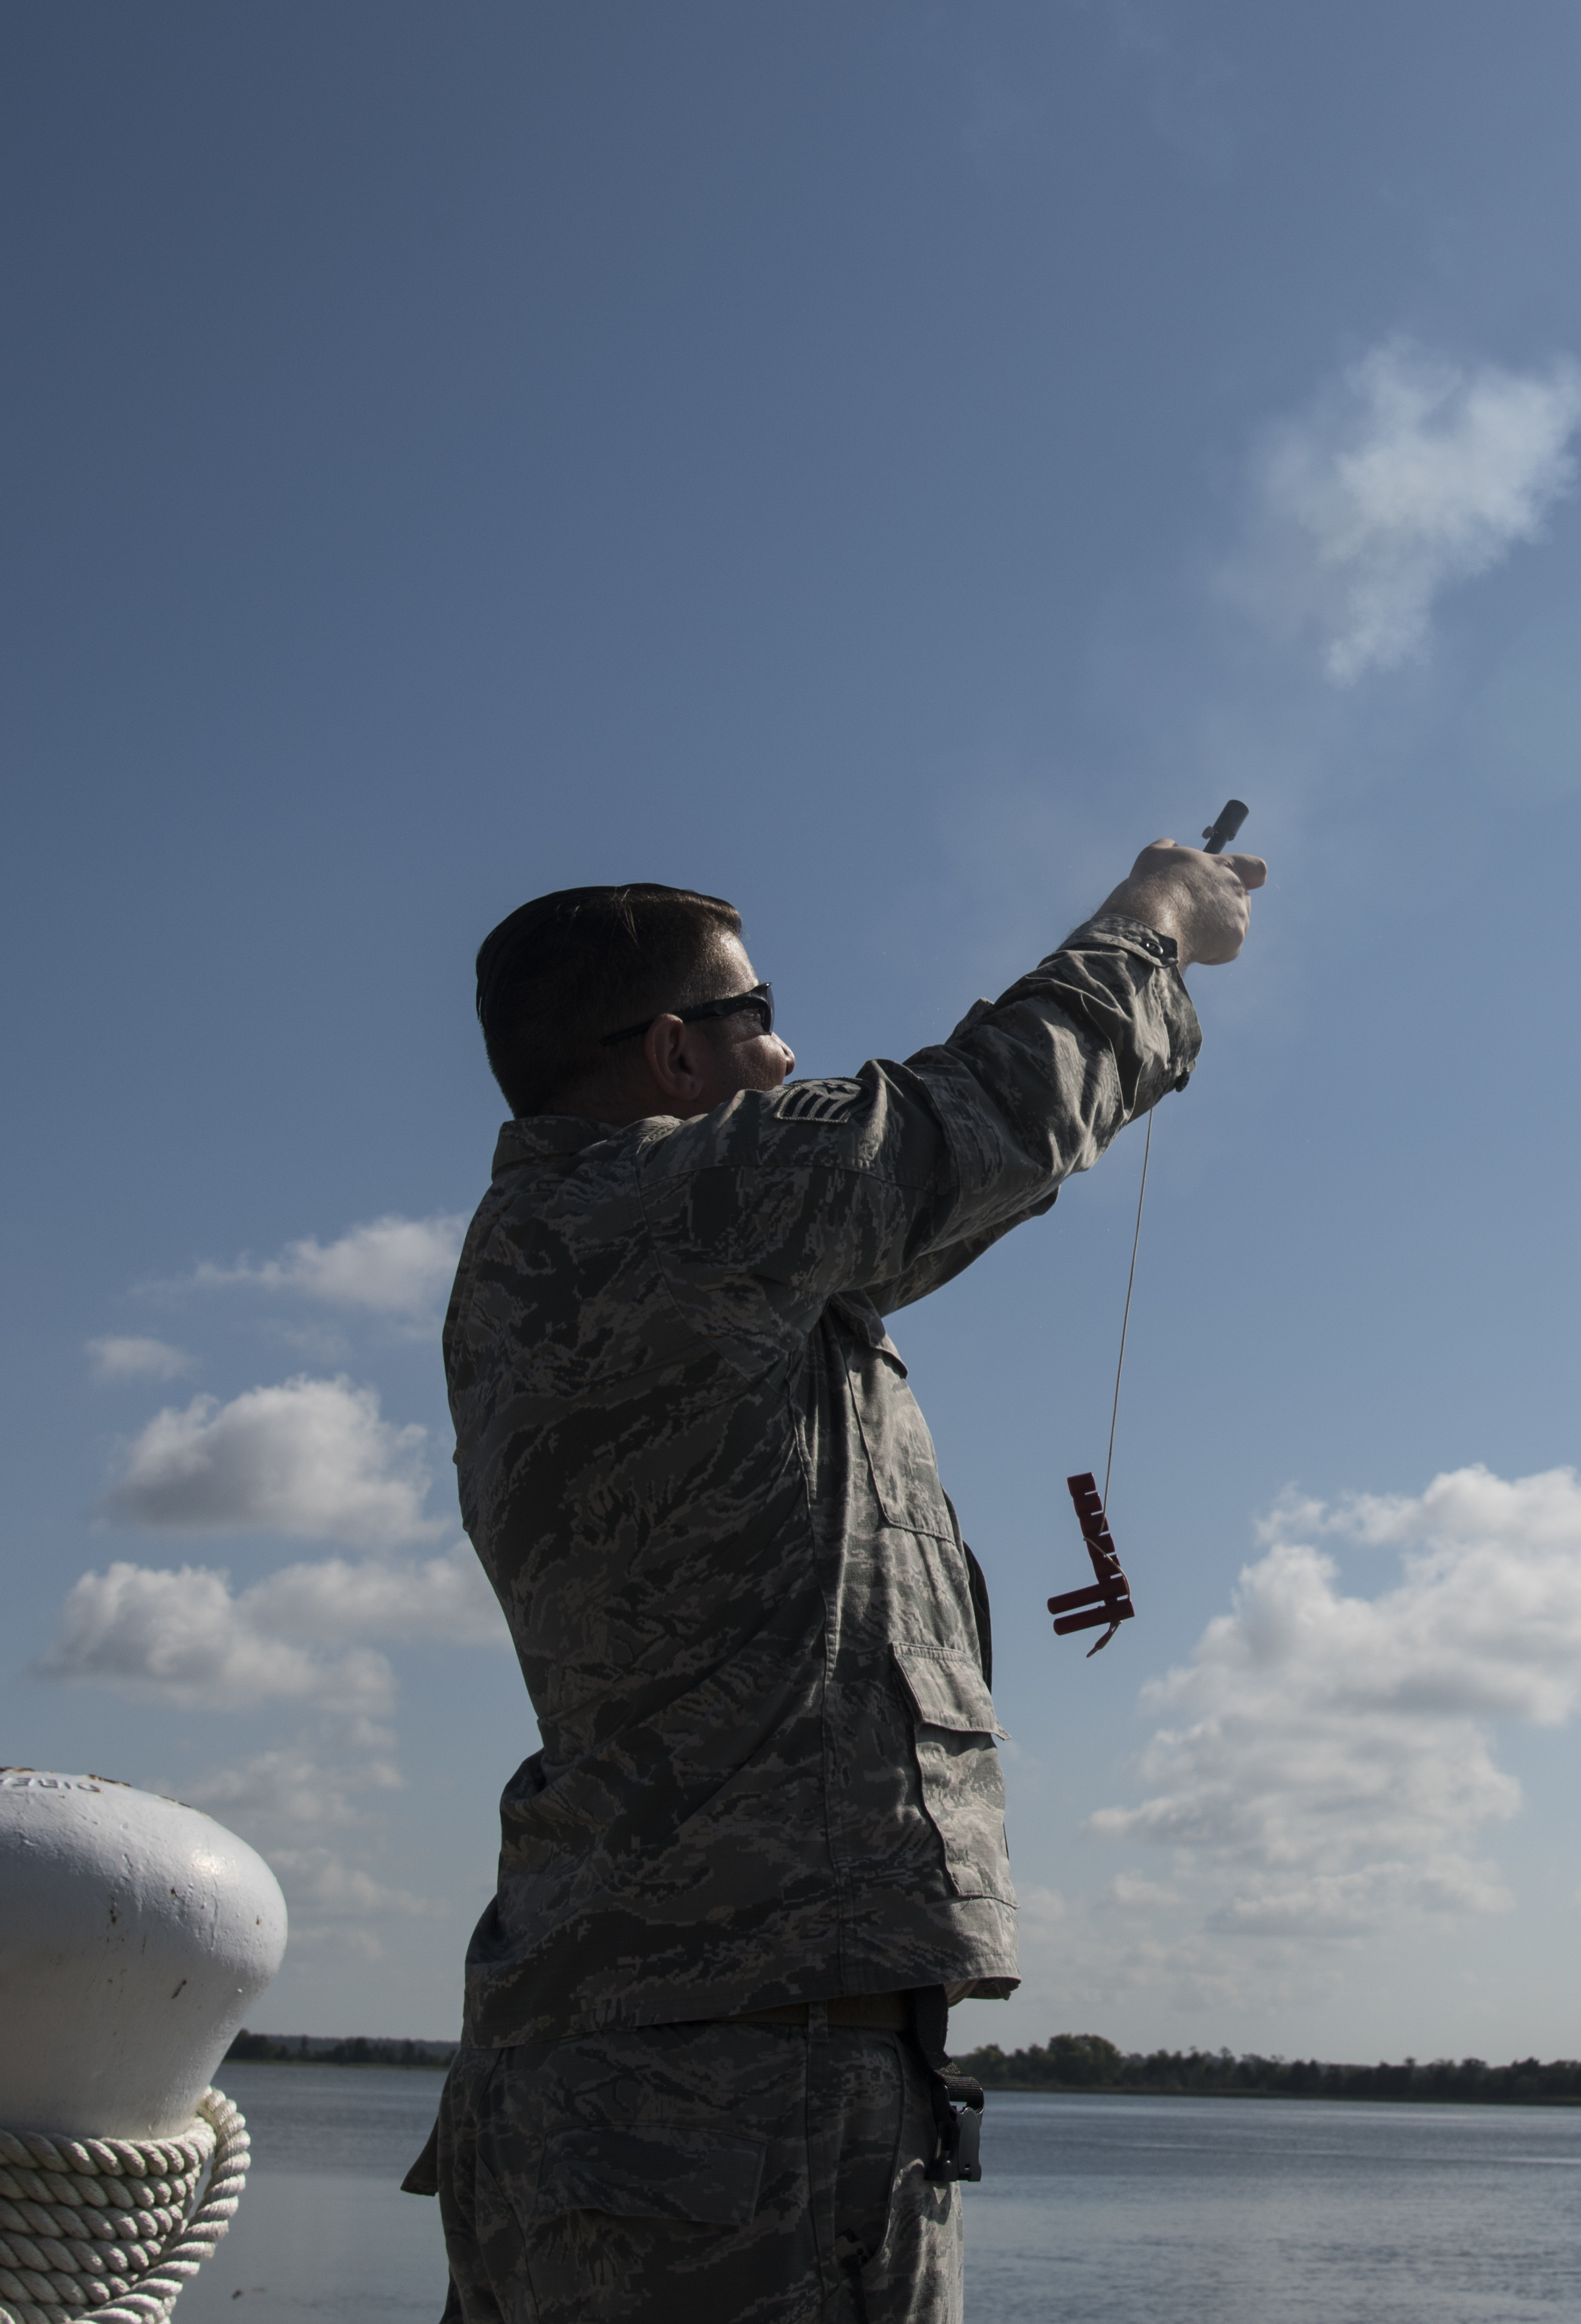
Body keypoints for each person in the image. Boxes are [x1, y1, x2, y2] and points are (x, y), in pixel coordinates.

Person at [410, 836, 1265, 2323]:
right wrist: (1154, 927)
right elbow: (970, 1117)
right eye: (759, 1016)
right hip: (739, 2097)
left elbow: (921, 1202)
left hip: (619, 2073)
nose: (789, 1047)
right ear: (674, 1053)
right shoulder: (675, 1205)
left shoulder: (578, 1250)